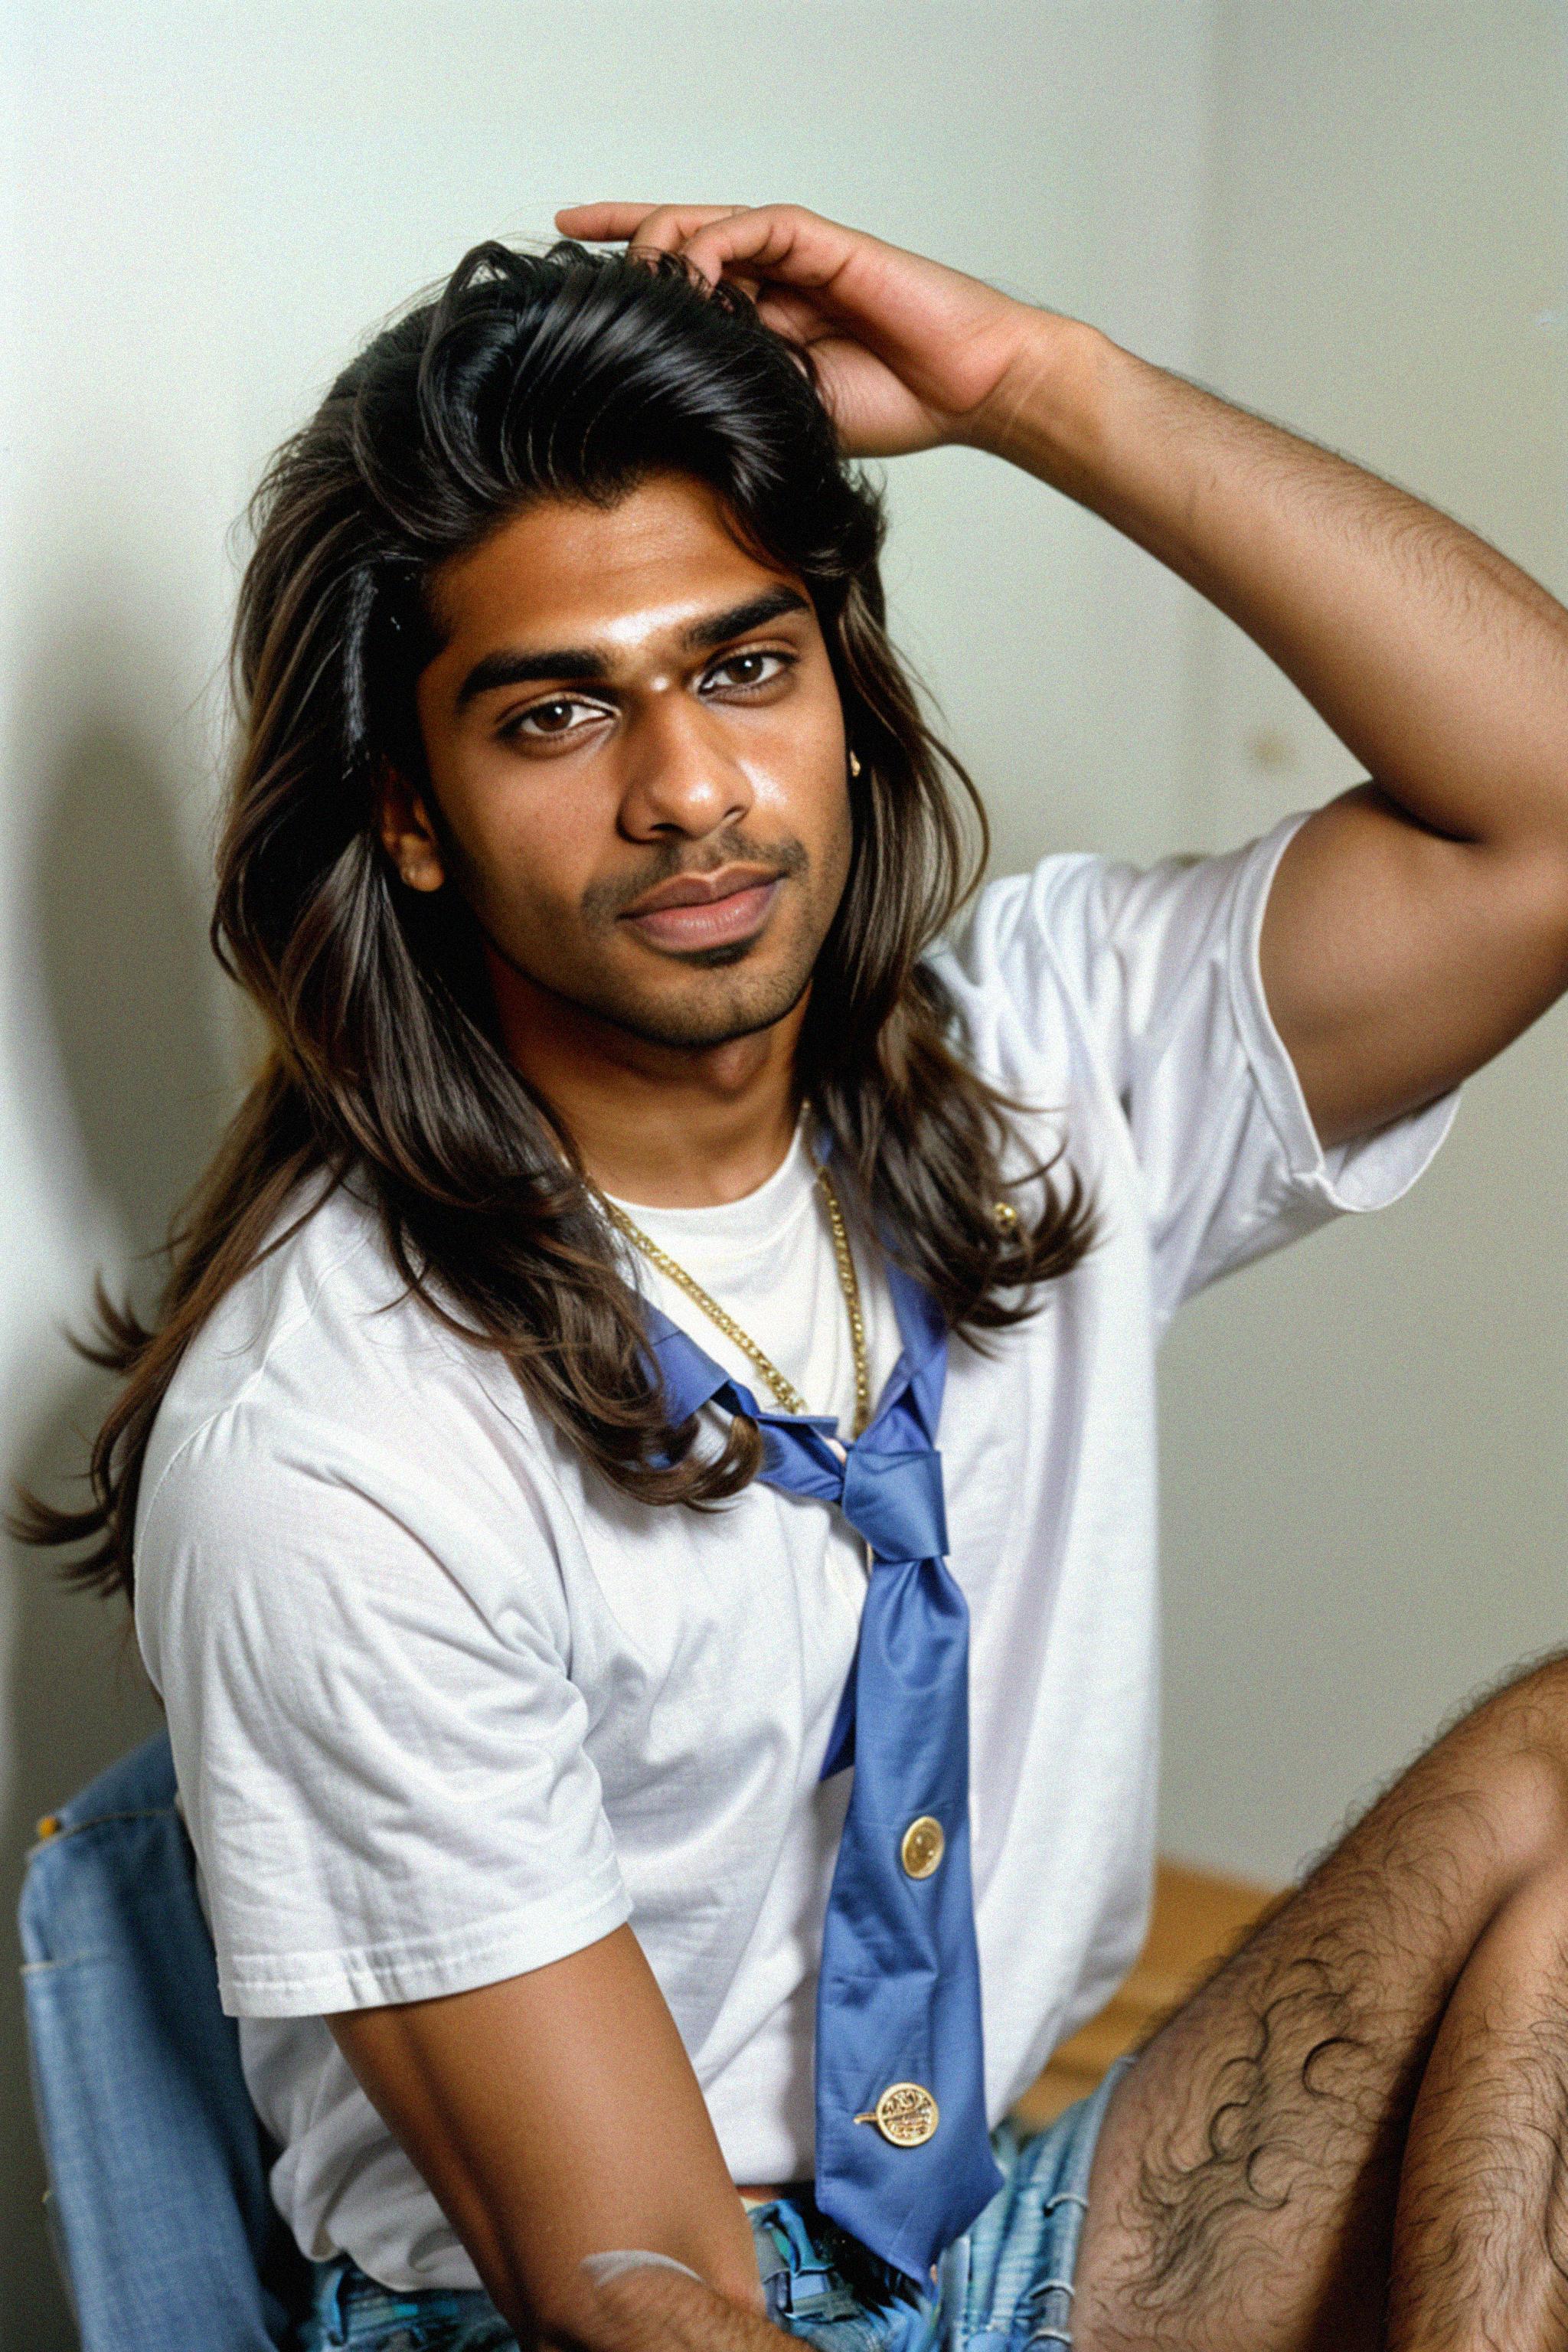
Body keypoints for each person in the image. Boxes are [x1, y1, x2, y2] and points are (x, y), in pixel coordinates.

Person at [21, 200, 1568, 2352]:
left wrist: (1046, 389)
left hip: (978, 2237)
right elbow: (635, 2286)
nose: (689, 793)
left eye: (746, 668)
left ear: (840, 694)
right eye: (557, 717)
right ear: (410, 812)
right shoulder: (336, 1437)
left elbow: (1548, 812)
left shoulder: (1036, 1057)